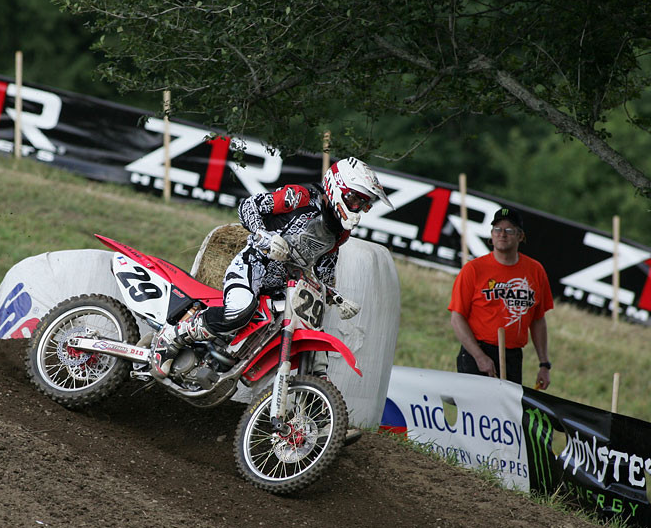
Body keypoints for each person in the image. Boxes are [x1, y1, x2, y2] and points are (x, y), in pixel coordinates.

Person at [150, 157, 395, 379]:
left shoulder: (340, 233)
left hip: (286, 286)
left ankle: (317, 389)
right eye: (355, 199)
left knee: (308, 326)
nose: (358, 208)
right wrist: (263, 235)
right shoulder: (300, 196)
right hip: (254, 266)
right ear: (338, 187)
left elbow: (325, 267)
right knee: (239, 310)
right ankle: (173, 336)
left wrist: (335, 296)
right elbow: (249, 206)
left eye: (364, 204)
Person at [448, 207, 553, 389]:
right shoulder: (473, 269)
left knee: (504, 414)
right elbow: (457, 318)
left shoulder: (535, 271)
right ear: (491, 234)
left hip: (513, 355)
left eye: (509, 230)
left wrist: (544, 364)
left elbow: (538, 319)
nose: (502, 234)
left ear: (520, 236)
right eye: (497, 229)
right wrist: (479, 356)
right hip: (478, 351)